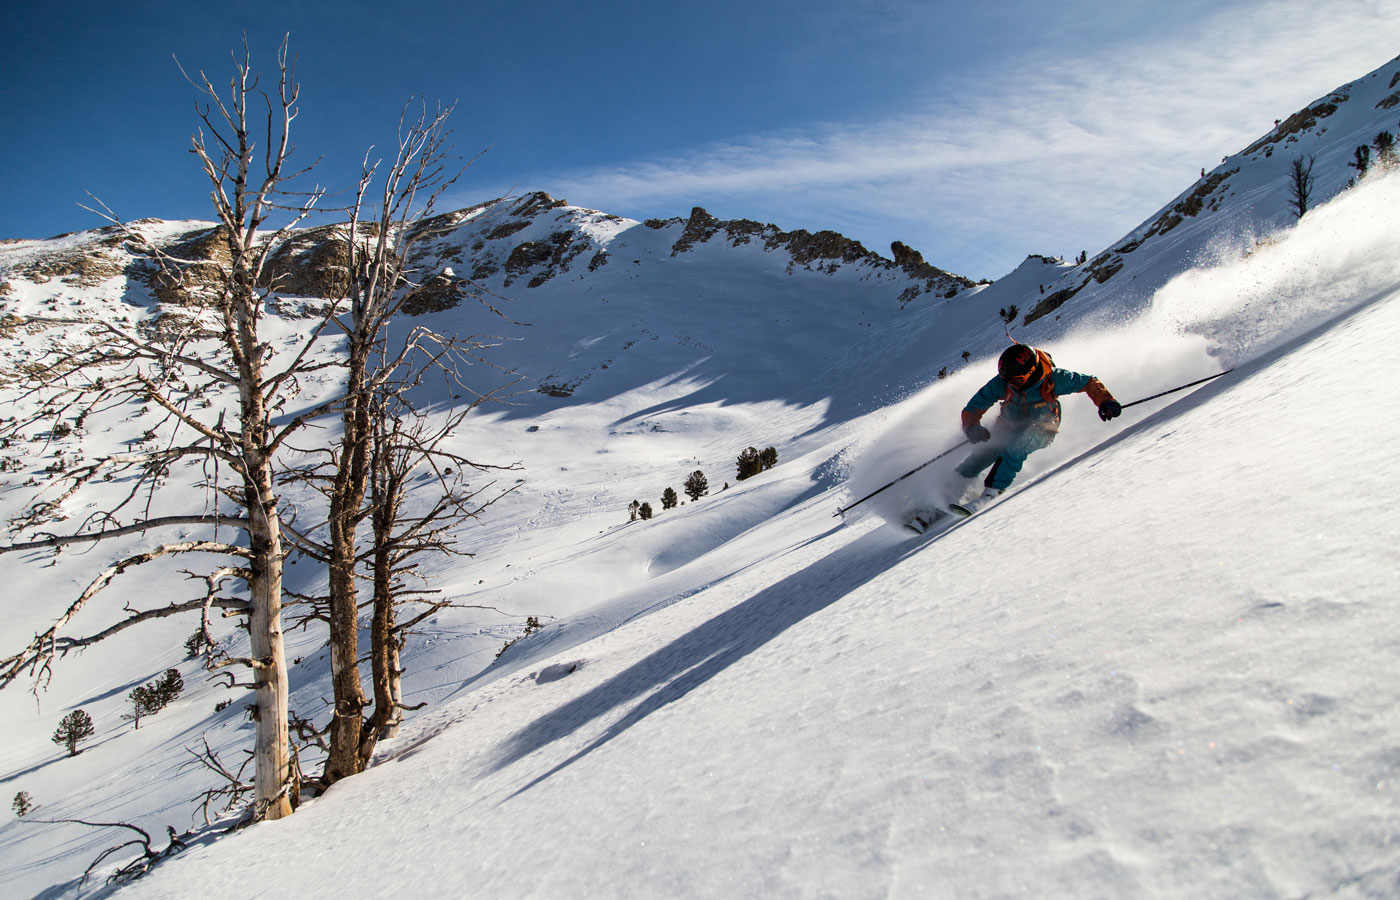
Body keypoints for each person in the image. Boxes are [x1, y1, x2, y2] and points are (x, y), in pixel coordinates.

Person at [949, 343, 1121, 516]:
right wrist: (972, 427)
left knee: (1015, 449)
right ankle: (950, 490)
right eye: (1007, 380)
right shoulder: (1004, 383)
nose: (1012, 385)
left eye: (1017, 381)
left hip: (1043, 426)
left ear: (1030, 373)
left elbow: (1088, 382)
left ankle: (990, 494)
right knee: (984, 452)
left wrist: (1106, 401)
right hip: (1009, 425)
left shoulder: (1053, 379)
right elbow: (975, 406)